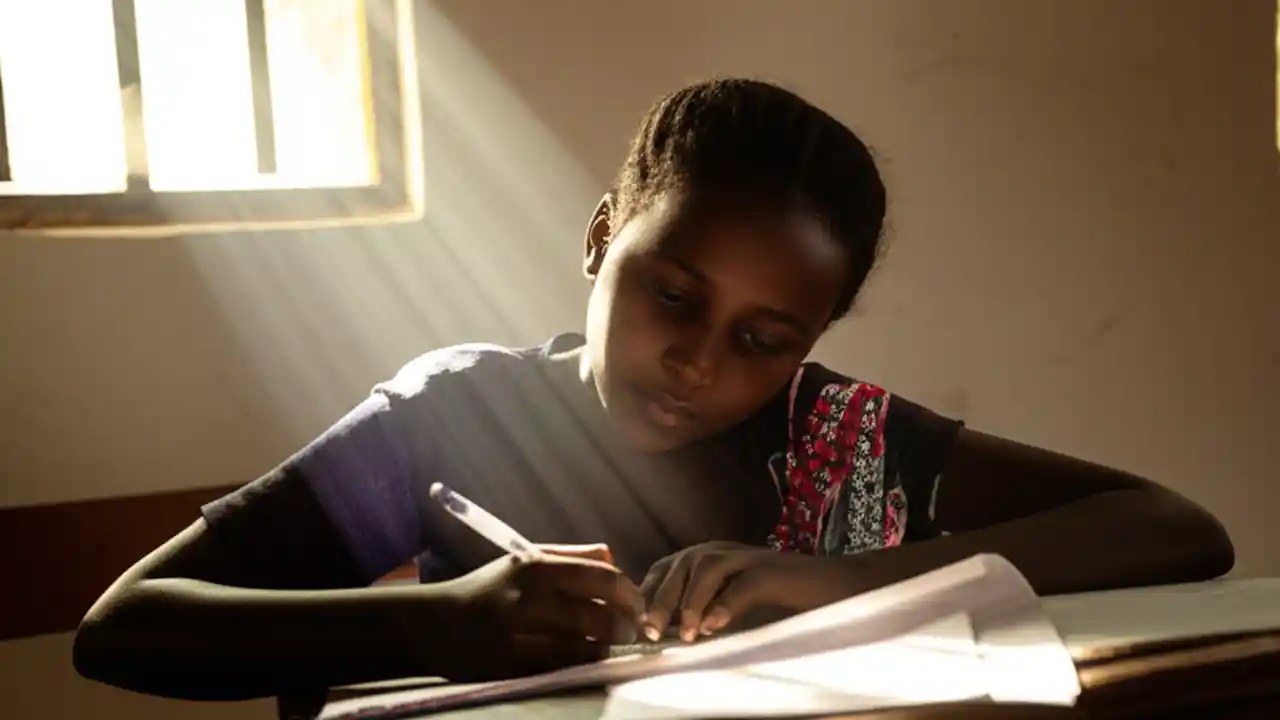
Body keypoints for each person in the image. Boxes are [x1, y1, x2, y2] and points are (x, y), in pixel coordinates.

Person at [73, 78, 1233, 701]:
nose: (700, 363)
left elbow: (1174, 530)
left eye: (763, 338)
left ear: (811, 340)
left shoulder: (833, 436)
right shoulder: (454, 418)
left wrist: (837, 581)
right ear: (599, 239)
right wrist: (440, 620)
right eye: (673, 298)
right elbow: (123, 632)